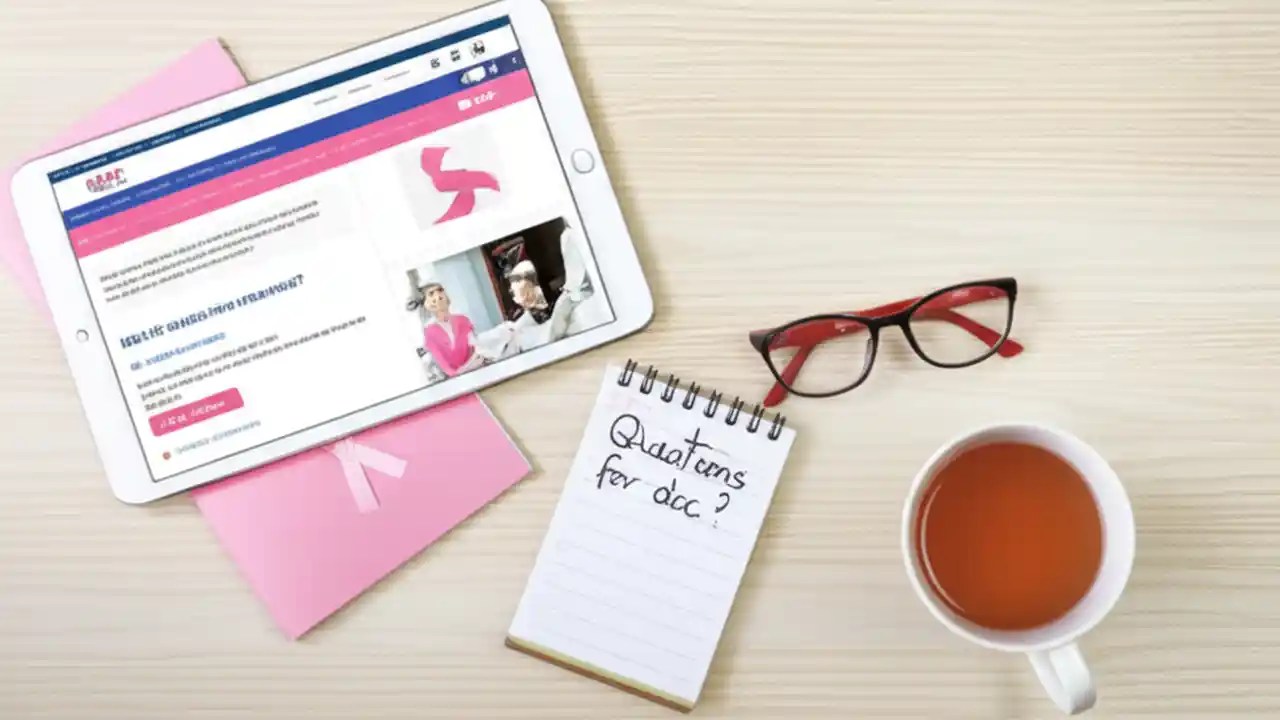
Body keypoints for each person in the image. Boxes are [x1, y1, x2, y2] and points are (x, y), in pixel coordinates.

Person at [417, 282, 486, 376]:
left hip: (478, 373)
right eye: (431, 294)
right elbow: (442, 365)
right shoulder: (430, 332)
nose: (437, 295)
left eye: (440, 290)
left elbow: (476, 349)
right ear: (427, 304)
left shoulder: (463, 320)